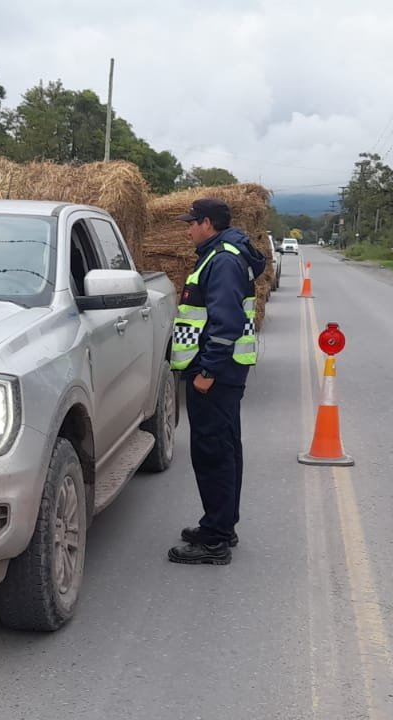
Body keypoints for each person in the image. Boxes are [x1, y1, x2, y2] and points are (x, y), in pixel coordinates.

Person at [167, 198, 265, 565]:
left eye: (191, 223)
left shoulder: (222, 260)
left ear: (207, 223)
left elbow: (225, 323)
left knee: (213, 454)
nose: (188, 229)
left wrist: (207, 372)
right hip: (223, 372)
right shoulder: (220, 255)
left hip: (215, 374)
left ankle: (215, 540)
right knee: (224, 450)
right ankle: (222, 525)